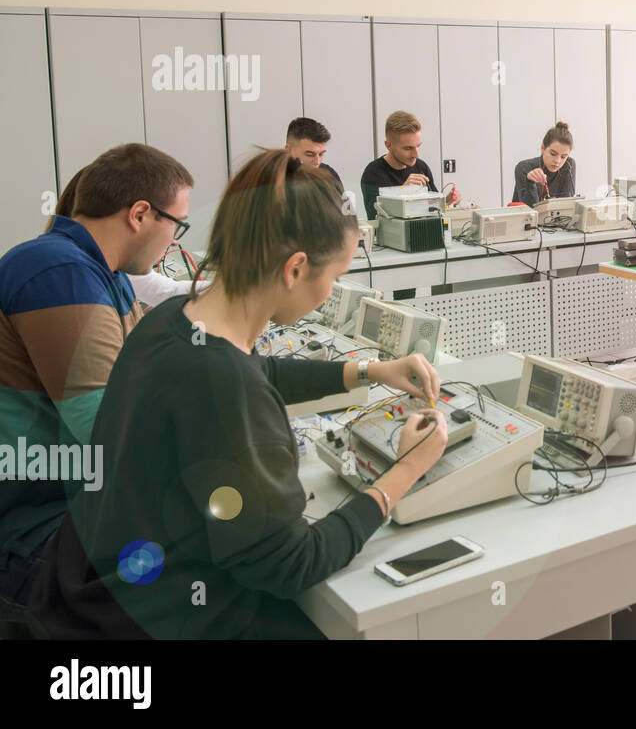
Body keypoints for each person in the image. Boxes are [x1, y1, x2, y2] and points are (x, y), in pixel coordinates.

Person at [30, 151, 449, 639]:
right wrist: (403, 473)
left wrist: (370, 369)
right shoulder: (225, 384)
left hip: (89, 588)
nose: (329, 291)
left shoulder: (175, 321)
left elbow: (258, 369)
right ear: (294, 269)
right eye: (332, 278)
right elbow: (291, 564)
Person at [0, 144, 192, 616]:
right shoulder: (57, 270)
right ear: (141, 214)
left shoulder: (102, 273)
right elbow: (108, 429)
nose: (176, 239)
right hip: (32, 527)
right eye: (177, 225)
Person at [48, 168, 210, 308]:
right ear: (136, 215)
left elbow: (166, 291)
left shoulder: (107, 263)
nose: (174, 241)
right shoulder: (72, 273)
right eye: (174, 223)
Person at [360, 110, 460, 220]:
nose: (416, 154)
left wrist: (446, 201)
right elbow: (376, 220)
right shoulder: (373, 174)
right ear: (388, 145)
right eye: (408, 148)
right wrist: (403, 192)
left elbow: (432, 209)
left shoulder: (421, 167)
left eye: (418, 146)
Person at [512, 121, 576, 205]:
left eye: (563, 157)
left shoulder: (569, 165)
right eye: (553, 154)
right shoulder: (523, 168)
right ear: (543, 148)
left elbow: (567, 205)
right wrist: (530, 183)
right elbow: (531, 210)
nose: (557, 161)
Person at [285, 117, 342, 184]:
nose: (317, 162)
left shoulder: (329, 175)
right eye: (310, 155)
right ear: (288, 150)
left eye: (321, 154)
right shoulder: (273, 178)